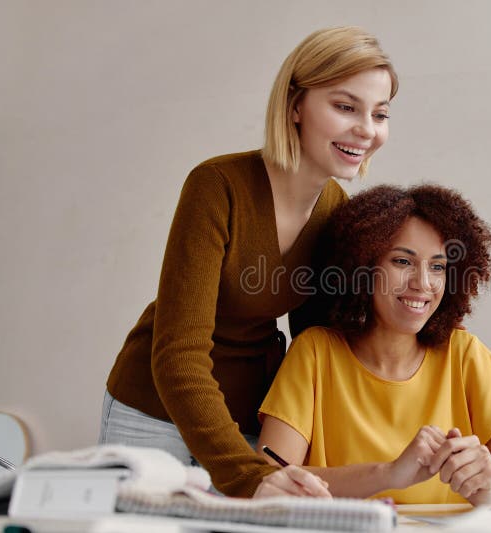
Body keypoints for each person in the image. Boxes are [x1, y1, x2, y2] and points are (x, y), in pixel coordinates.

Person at [99, 26, 398, 498]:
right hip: (154, 413)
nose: (367, 129)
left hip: (247, 420)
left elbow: (316, 345)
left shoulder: (337, 212)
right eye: (345, 107)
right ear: (295, 105)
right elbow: (178, 355)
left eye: (379, 113)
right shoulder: (217, 185)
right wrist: (246, 475)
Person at [258, 185, 491, 507]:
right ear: (363, 267)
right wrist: (388, 474)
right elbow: (269, 478)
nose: (423, 283)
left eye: (437, 267)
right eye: (402, 261)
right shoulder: (315, 353)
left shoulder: (463, 354)